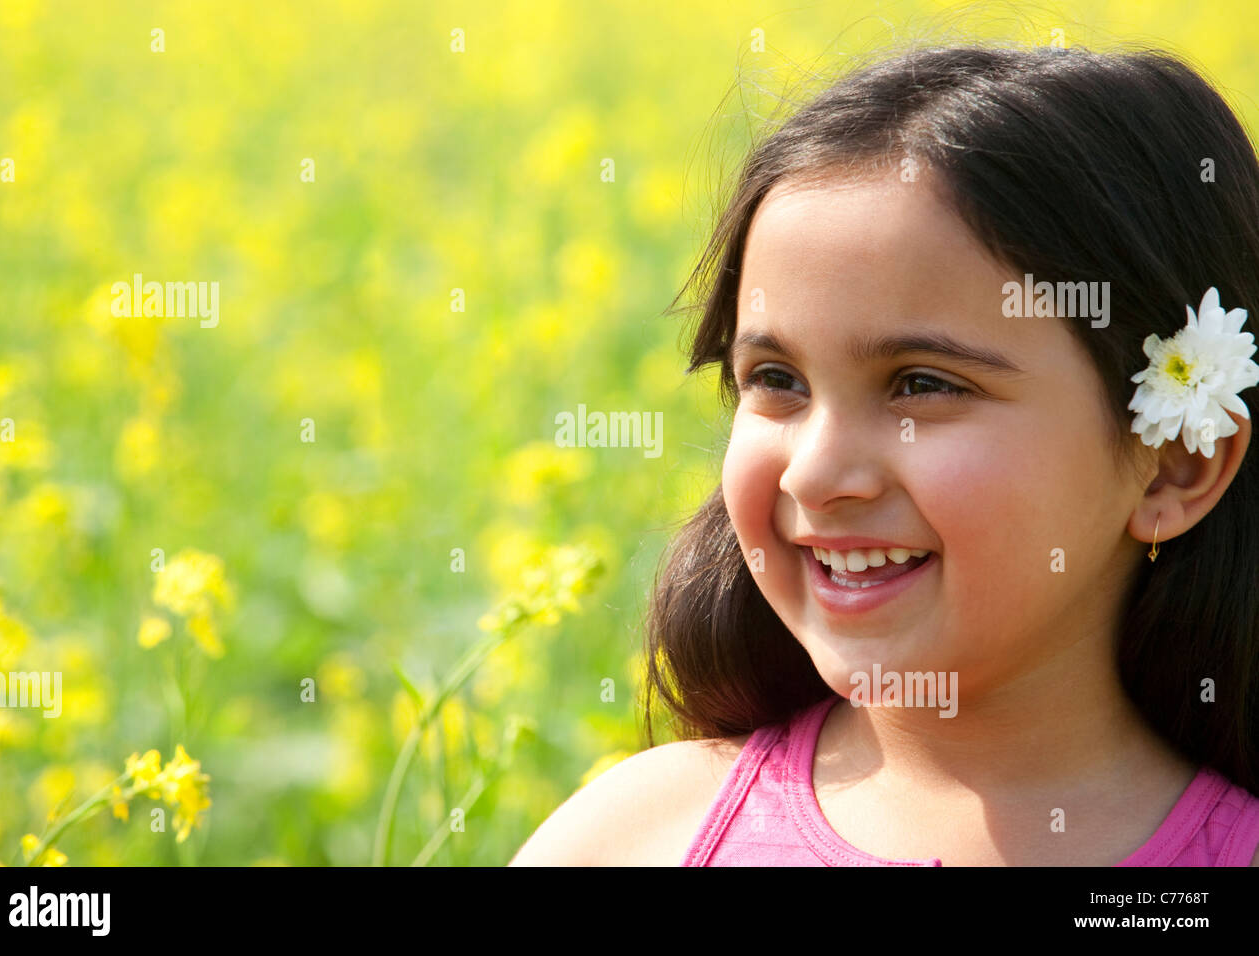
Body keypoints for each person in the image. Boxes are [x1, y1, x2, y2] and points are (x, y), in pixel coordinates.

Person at [510, 43, 1259, 866]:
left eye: (922, 385)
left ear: (1175, 463)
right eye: (775, 379)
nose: (816, 474)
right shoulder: (635, 839)